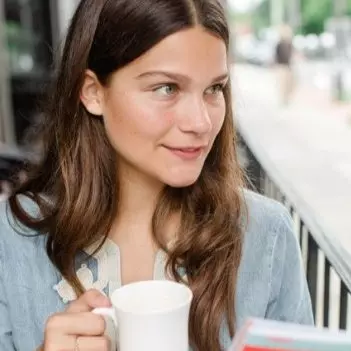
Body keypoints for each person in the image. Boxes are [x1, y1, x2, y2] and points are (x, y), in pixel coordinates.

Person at [0, 1, 313, 350]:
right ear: (92, 92)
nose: (201, 123)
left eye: (214, 89)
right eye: (167, 88)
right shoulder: (11, 242)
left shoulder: (267, 236)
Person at [275, 24, 295, 106]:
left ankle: (286, 98)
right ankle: (283, 98)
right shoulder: (279, 44)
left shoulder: (289, 44)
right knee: (282, 83)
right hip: (281, 66)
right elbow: (276, 56)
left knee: (289, 83)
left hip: (288, 66)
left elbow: (292, 55)